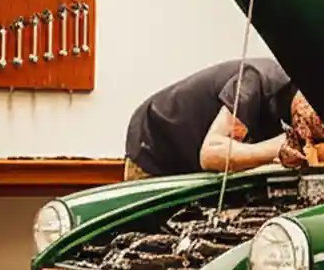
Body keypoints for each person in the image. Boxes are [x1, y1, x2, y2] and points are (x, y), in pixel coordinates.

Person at [123, 57, 304, 179]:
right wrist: (279, 148)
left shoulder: (287, 104)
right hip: (153, 148)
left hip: (189, 164)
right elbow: (211, 153)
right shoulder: (254, 81)